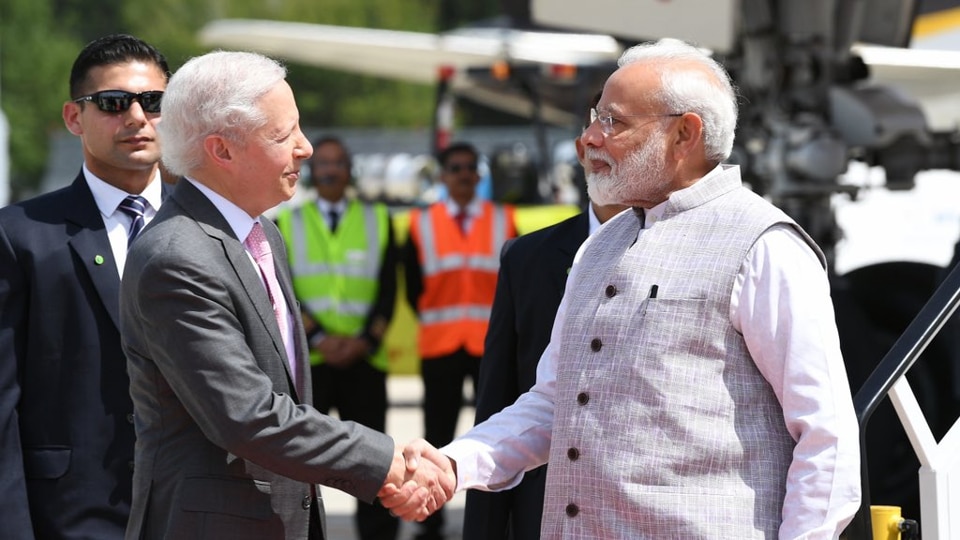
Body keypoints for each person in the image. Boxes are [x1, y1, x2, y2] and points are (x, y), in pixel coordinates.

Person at [405, 38, 862, 538]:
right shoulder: (598, 248)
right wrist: (453, 465)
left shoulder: (763, 247)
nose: (590, 139)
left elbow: (826, 437)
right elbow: (556, 402)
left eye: (613, 122)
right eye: (595, 118)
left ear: (685, 134)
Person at [118, 50, 450, 540]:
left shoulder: (261, 235)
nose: (306, 149)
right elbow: (247, 415)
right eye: (283, 135)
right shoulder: (177, 257)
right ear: (222, 150)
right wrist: (386, 462)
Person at [0, 34, 170, 540]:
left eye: (154, 102)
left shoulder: (215, 230)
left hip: (197, 509)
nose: (137, 118)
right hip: (71, 514)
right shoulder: (21, 236)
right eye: (114, 104)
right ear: (75, 118)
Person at [463, 94, 627, 539]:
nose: (600, 142)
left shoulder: (695, 252)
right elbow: (501, 395)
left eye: (618, 126)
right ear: (579, 149)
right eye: (595, 128)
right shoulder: (527, 257)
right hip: (546, 506)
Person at [275, 136, 400, 540]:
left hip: (365, 359)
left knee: (374, 461)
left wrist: (364, 340)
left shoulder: (378, 218)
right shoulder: (287, 221)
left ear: (349, 170)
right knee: (300, 457)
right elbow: (283, 288)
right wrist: (321, 337)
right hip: (312, 361)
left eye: (337, 163)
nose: (329, 170)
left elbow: (387, 290)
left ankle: (378, 535)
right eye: (322, 163)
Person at [402, 141, 517, 539]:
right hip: (442, 344)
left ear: (479, 175)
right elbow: (414, 288)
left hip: (492, 346)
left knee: (495, 436)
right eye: (456, 168)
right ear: (443, 175)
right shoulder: (421, 223)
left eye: (471, 167)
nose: (464, 174)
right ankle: (429, 523)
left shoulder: (504, 219)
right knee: (436, 432)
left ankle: (491, 521)